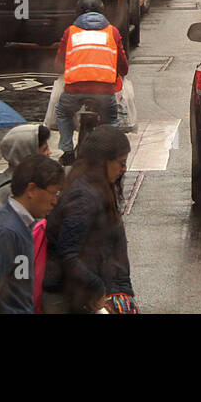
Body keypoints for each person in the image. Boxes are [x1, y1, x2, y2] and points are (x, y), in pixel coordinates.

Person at [42, 126, 135, 312]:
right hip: (70, 298)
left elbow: (113, 245)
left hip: (86, 293)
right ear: (103, 162)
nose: (124, 169)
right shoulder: (83, 197)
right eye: (121, 163)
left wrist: (124, 289)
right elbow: (68, 255)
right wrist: (99, 290)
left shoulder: (101, 187)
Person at [0, 154, 64, 314]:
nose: (54, 201)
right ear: (31, 190)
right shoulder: (6, 232)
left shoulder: (21, 224)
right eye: (53, 193)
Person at [53, 0, 128, 166]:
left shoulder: (70, 31)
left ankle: (67, 151)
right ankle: (113, 154)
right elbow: (123, 65)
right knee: (111, 120)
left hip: (74, 91)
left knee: (63, 113)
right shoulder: (112, 32)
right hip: (104, 91)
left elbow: (59, 64)